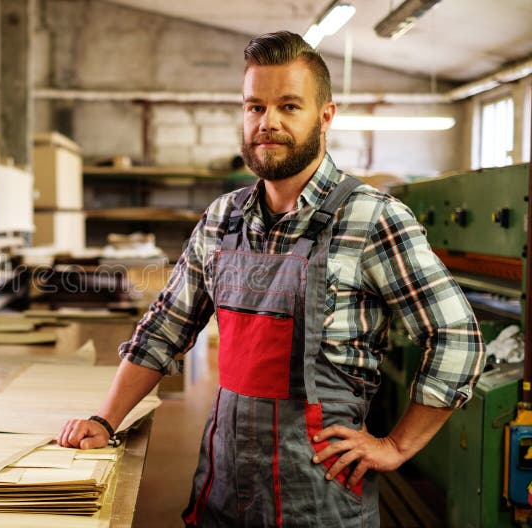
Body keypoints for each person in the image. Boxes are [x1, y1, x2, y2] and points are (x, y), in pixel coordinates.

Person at [58, 31, 485, 526]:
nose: (268, 122)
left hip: (321, 501)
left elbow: (457, 337)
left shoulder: (371, 219)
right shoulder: (222, 219)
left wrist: (394, 446)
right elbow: (164, 328)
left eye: (288, 106)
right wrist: (104, 420)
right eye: (255, 106)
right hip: (224, 489)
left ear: (325, 116)